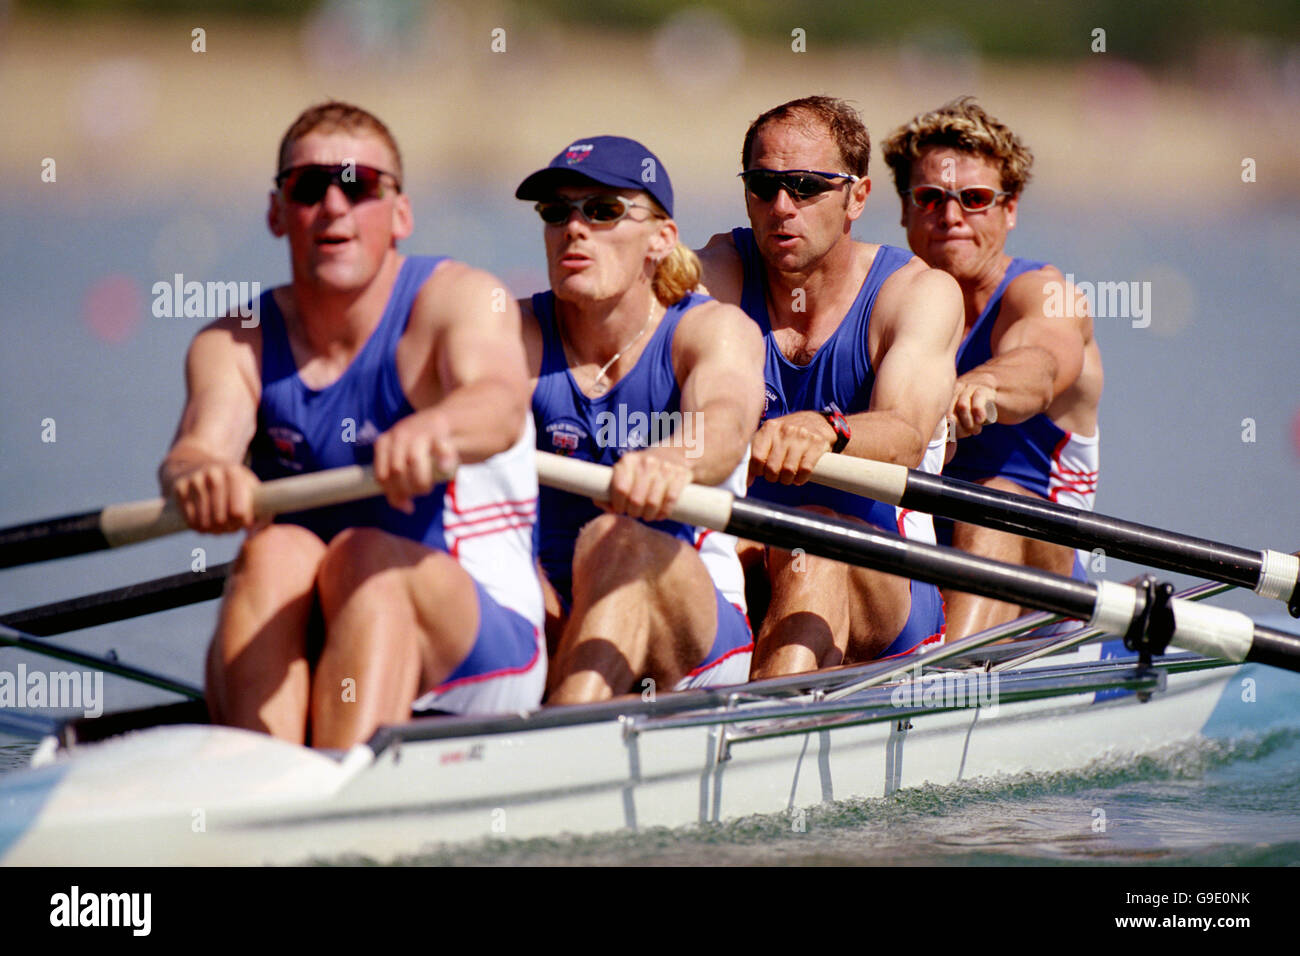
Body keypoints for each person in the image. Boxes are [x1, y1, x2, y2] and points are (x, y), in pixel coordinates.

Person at [160, 101, 544, 749]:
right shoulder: (234, 342)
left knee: (361, 556)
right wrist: (198, 477)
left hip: (477, 646)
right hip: (315, 619)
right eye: (309, 187)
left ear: (401, 214)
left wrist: (438, 430)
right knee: (275, 551)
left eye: (358, 184)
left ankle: (332, 802)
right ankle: (261, 788)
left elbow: (499, 402)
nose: (334, 206)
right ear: (277, 212)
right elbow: (198, 447)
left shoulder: (456, 300)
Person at [696, 96, 963, 678]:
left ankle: (758, 739)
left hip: (882, 591)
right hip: (746, 560)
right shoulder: (721, 271)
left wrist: (826, 429)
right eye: (763, 186)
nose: (781, 207)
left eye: (805, 186)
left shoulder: (916, 294)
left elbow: (906, 434)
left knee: (808, 541)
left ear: (857, 198)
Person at [516, 135, 766, 703]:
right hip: (549, 607)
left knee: (619, 538)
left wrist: (674, 456)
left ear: (661, 239)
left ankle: (550, 751)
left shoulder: (710, 331)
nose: (574, 228)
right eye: (556, 212)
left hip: (691, 628)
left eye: (603, 211)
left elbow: (724, 421)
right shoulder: (515, 332)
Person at [881, 96, 1103, 639]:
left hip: (1047, 594)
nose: (951, 217)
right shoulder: (884, 302)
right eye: (930, 198)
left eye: (974, 199)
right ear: (905, 208)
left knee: (995, 504)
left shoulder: (1043, 296)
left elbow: (1043, 363)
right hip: (924, 561)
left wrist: (981, 384)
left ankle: (941, 685)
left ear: (1010, 209)